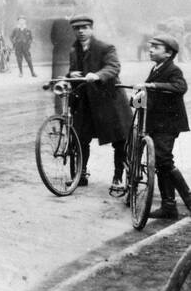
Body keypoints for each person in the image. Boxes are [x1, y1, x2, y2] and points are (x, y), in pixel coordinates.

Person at [66, 15, 131, 193]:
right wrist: (71, 75)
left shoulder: (105, 47)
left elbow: (113, 67)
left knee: (119, 140)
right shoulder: (74, 50)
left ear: (91, 29)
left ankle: (118, 177)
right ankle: (81, 173)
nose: (80, 31)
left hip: (109, 101)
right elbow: (72, 71)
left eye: (84, 27)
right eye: (77, 28)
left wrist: (98, 75)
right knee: (80, 138)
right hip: (86, 102)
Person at [142, 35, 191, 219]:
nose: (151, 49)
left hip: (169, 123)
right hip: (157, 122)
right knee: (160, 162)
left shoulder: (173, 70)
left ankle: (187, 199)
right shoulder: (156, 68)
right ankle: (169, 206)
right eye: (151, 46)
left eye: (156, 47)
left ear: (169, 53)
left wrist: (153, 85)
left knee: (164, 159)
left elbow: (180, 87)